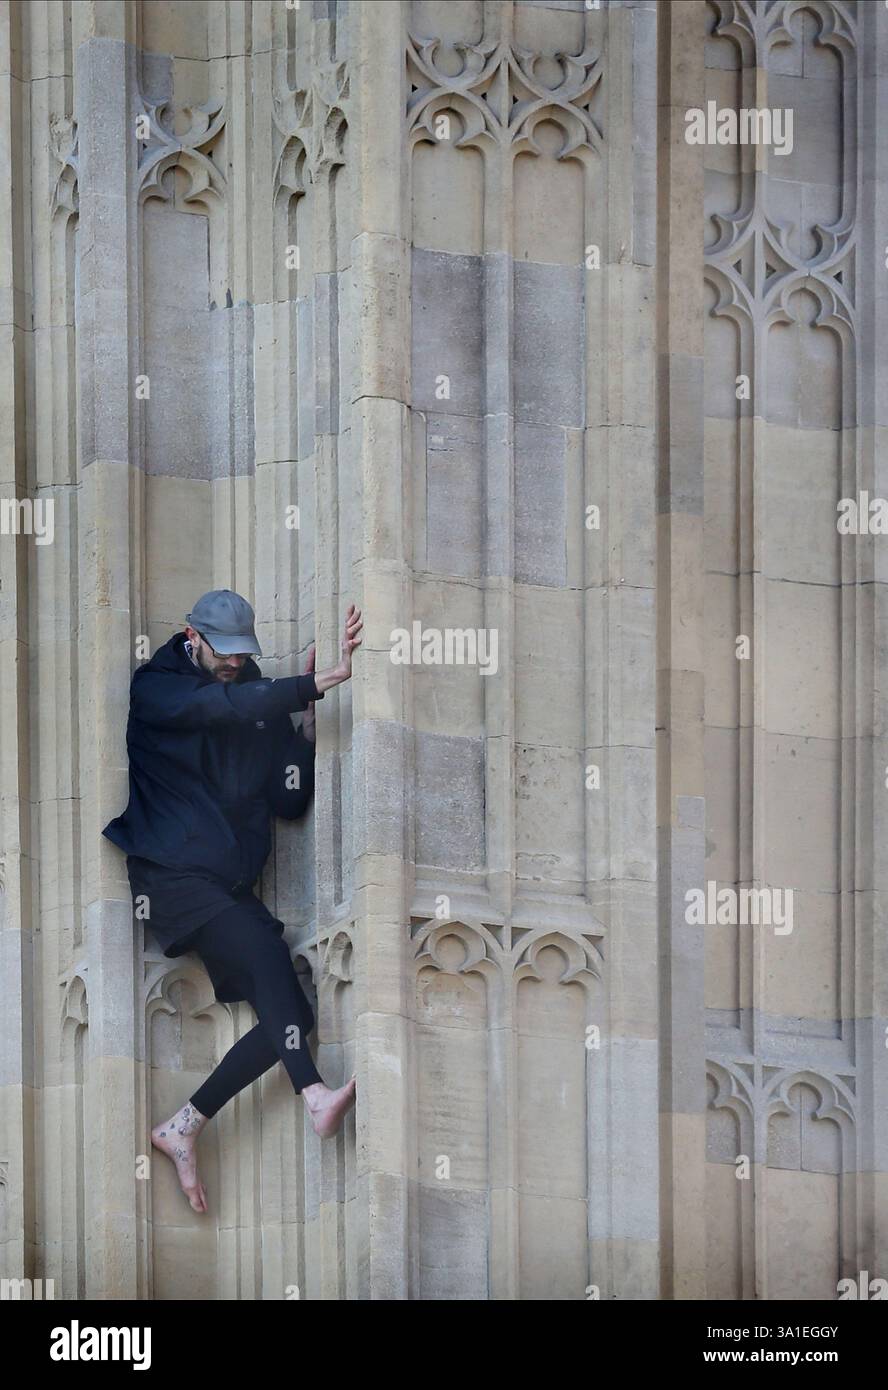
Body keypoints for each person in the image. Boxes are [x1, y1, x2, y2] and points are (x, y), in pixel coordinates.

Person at [103, 590, 363, 1213]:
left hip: (226, 885)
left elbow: (288, 799)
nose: (234, 664)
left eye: (243, 655)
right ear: (193, 635)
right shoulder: (159, 686)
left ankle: (184, 1126)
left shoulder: (254, 691)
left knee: (294, 1010)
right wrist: (310, 685)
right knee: (274, 979)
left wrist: (300, 724)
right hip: (174, 878)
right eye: (223, 653)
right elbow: (215, 708)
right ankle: (315, 1098)